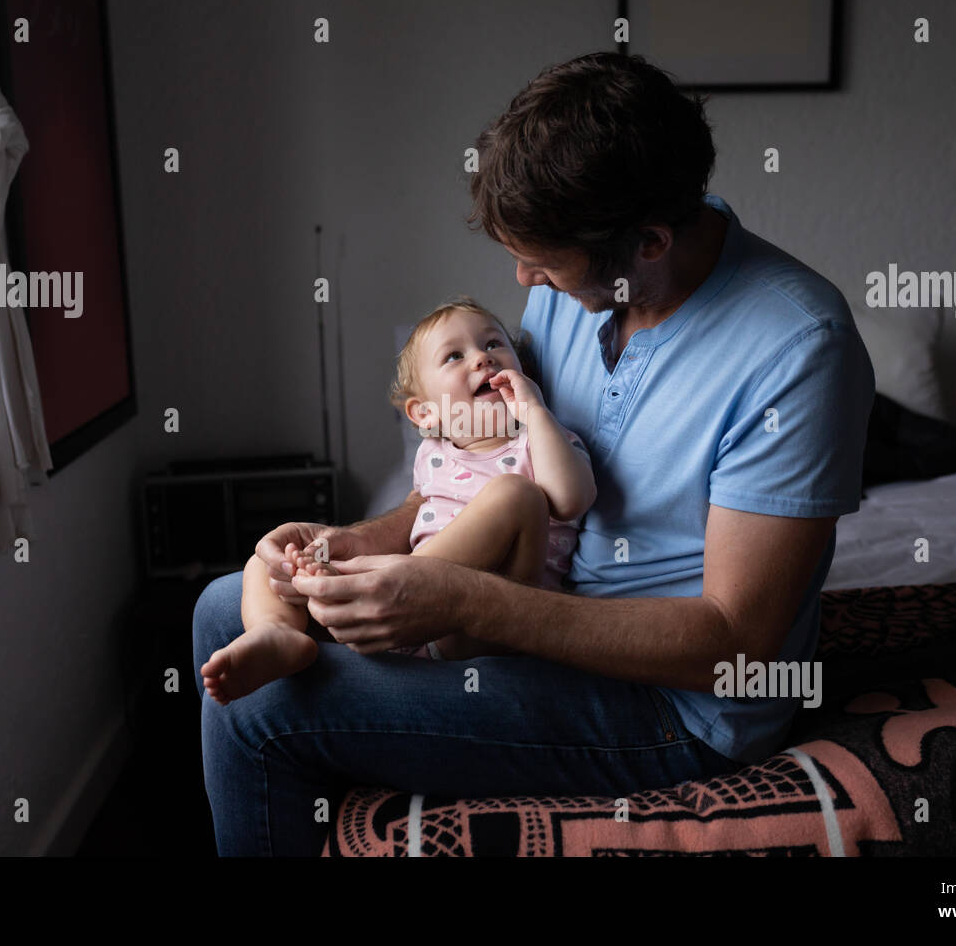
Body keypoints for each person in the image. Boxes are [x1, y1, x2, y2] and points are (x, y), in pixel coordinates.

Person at [192, 51, 875, 856]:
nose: (523, 280)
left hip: (670, 705)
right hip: (529, 615)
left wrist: (463, 602)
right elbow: (480, 475)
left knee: (269, 716)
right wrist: (350, 544)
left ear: (649, 241)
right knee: (222, 602)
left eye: (542, 263)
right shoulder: (572, 281)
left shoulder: (797, 349)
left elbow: (736, 644)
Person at [199, 296, 592, 702]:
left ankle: (384, 585)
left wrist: (537, 413)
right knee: (270, 557)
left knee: (517, 494)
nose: (481, 359)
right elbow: (418, 515)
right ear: (424, 414)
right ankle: (277, 634)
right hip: (402, 622)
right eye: (454, 356)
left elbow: (571, 499)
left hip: (480, 630)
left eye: (493, 344)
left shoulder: (542, 441)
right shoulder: (433, 454)